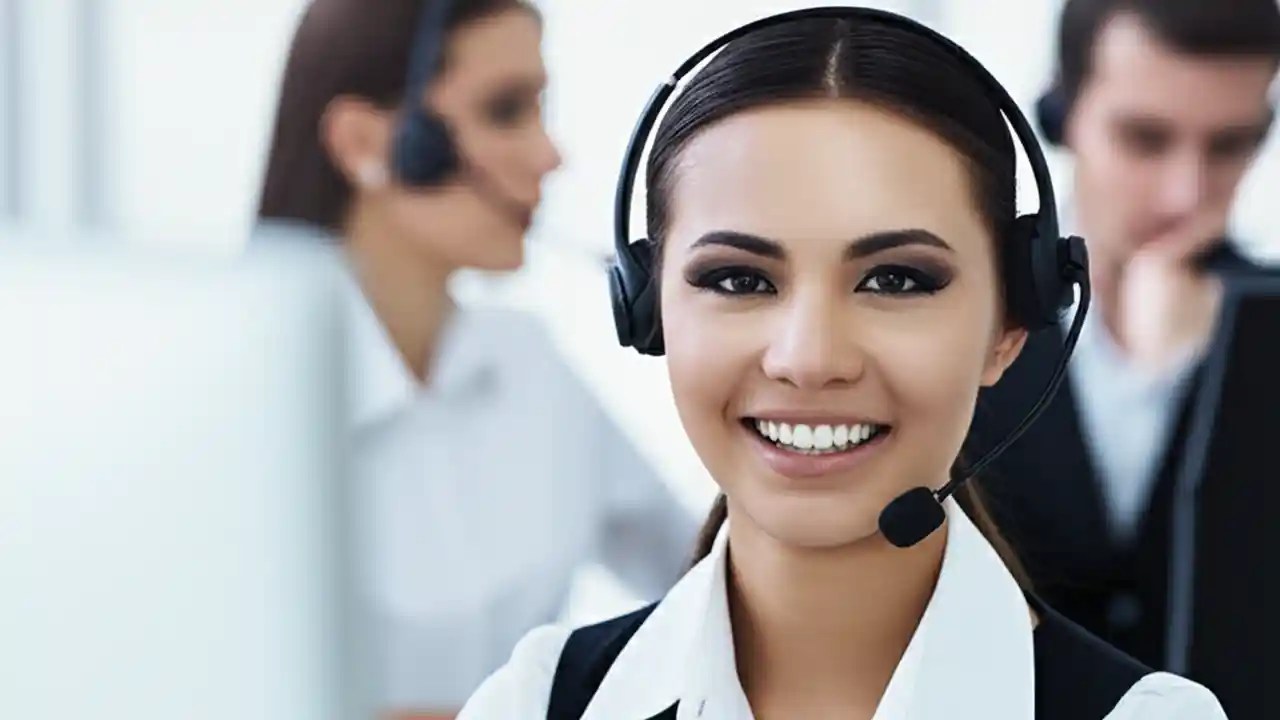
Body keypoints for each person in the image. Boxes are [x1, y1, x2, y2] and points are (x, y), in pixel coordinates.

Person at [457, 8, 1227, 719]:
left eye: (895, 280)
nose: (809, 358)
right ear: (649, 312)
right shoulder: (534, 702)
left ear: (1010, 327)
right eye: (739, 279)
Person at [254, 1, 698, 717]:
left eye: (539, 107)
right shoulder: (242, 403)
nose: (551, 155)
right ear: (365, 141)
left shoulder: (527, 364)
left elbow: (704, 567)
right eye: (505, 110)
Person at [975, 1, 1278, 714]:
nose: (1186, 193)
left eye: (1229, 146)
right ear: (1062, 113)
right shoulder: (960, 312)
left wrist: (1204, 377)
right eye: (1146, 139)